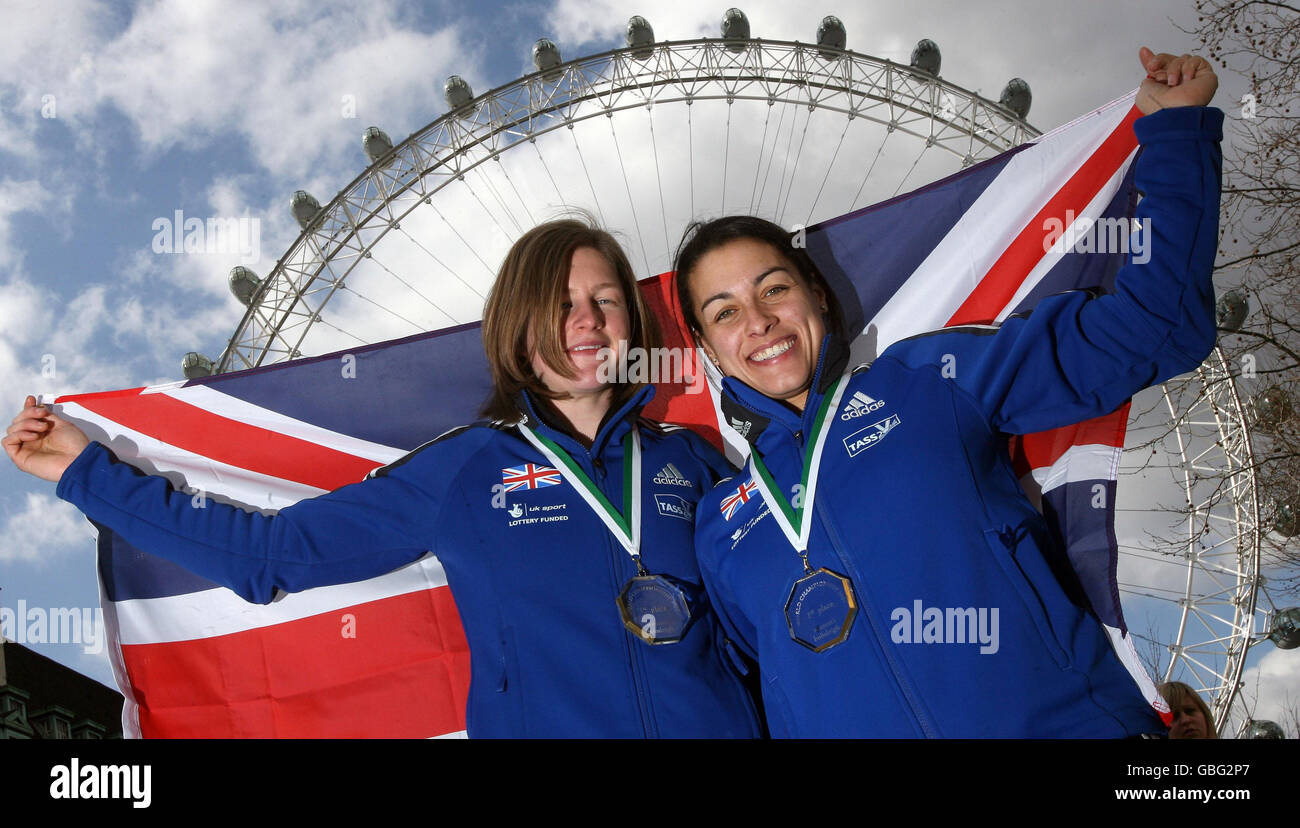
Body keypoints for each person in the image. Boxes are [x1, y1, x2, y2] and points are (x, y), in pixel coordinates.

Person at [5, 217, 762, 739]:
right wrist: (85, 474)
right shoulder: (465, 469)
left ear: (632, 318)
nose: (588, 320)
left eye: (605, 300)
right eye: (560, 303)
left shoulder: (691, 462)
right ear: (518, 324)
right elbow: (268, 559)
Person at [672, 48, 1222, 737]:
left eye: (773, 288)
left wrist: (1173, 136)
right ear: (703, 346)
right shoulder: (720, 523)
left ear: (815, 293)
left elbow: (1155, 327)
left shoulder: (931, 380)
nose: (758, 322)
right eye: (723, 311)